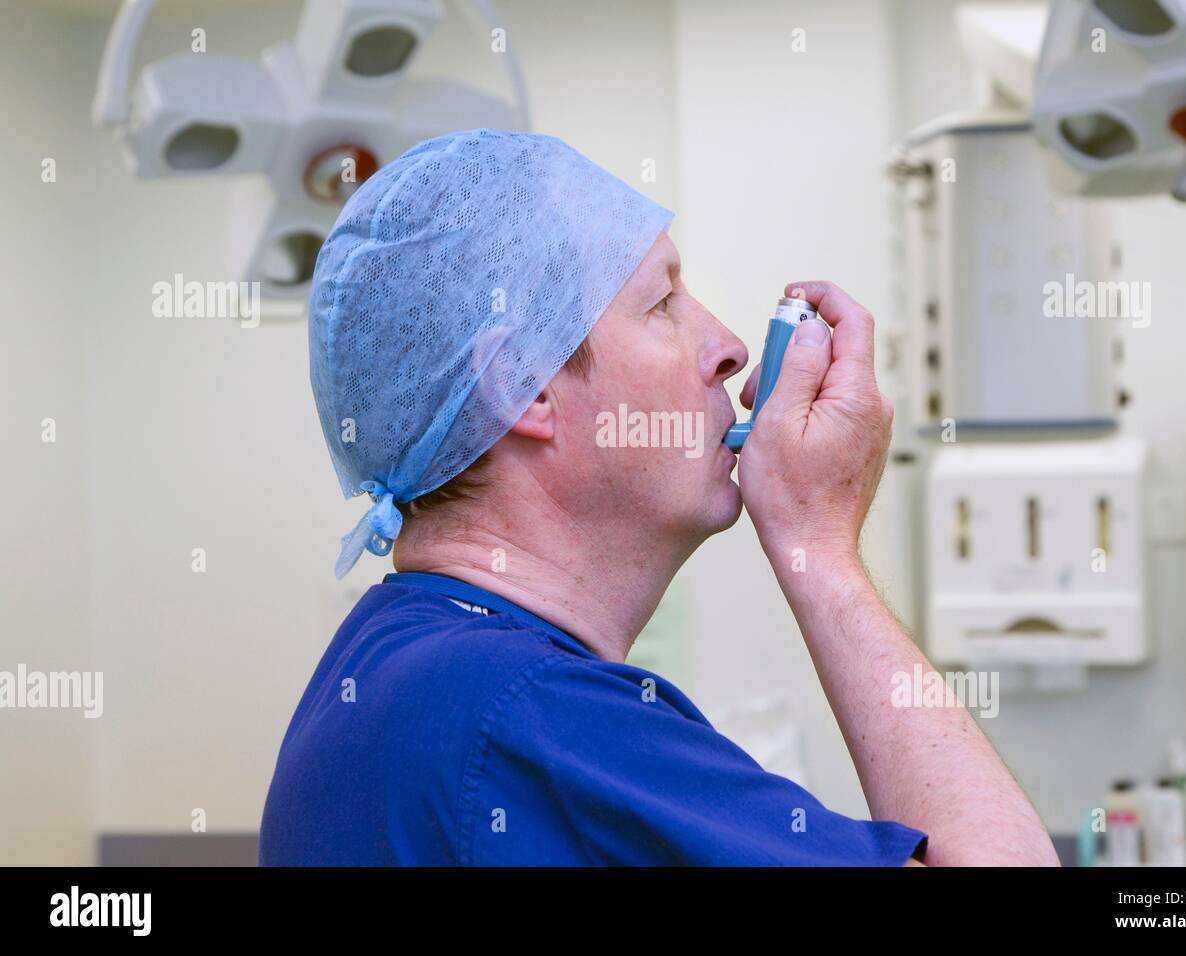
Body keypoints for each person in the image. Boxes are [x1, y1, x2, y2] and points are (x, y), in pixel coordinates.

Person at [259, 128, 1059, 866]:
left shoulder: (404, 665)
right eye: (663, 303)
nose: (729, 348)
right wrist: (821, 549)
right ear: (520, 385)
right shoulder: (532, 718)